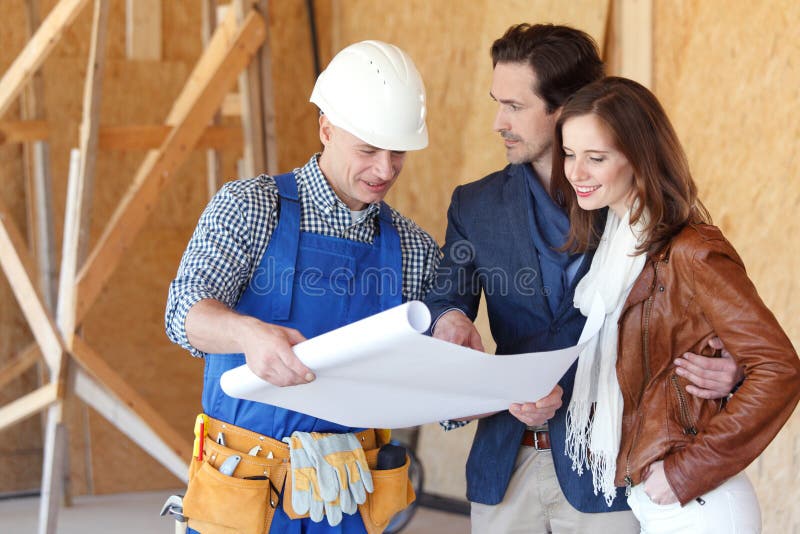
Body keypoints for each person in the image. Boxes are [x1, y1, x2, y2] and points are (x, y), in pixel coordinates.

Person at [424, 24, 742, 533]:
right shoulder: (474, 204)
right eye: (496, 102)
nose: (497, 122)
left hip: (613, 473)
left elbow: (715, 327)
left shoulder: (640, 209)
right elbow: (445, 298)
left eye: (515, 106)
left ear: (567, 108)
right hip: (505, 469)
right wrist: (449, 320)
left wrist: (729, 369)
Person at [165, 40, 440, 533]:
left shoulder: (414, 248)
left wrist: (475, 394)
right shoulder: (251, 206)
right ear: (326, 128)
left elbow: (426, 375)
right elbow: (183, 313)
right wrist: (247, 334)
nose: (384, 170)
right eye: (368, 150)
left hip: (347, 499)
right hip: (244, 493)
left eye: (398, 152)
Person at [551, 75, 800, 533]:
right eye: (569, 154)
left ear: (639, 159)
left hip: (699, 502)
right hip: (655, 500)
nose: (575, 172)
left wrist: (686, 471)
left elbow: (779, 368)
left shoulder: (691, 250)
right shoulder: (614, 246)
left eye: (596, 158)